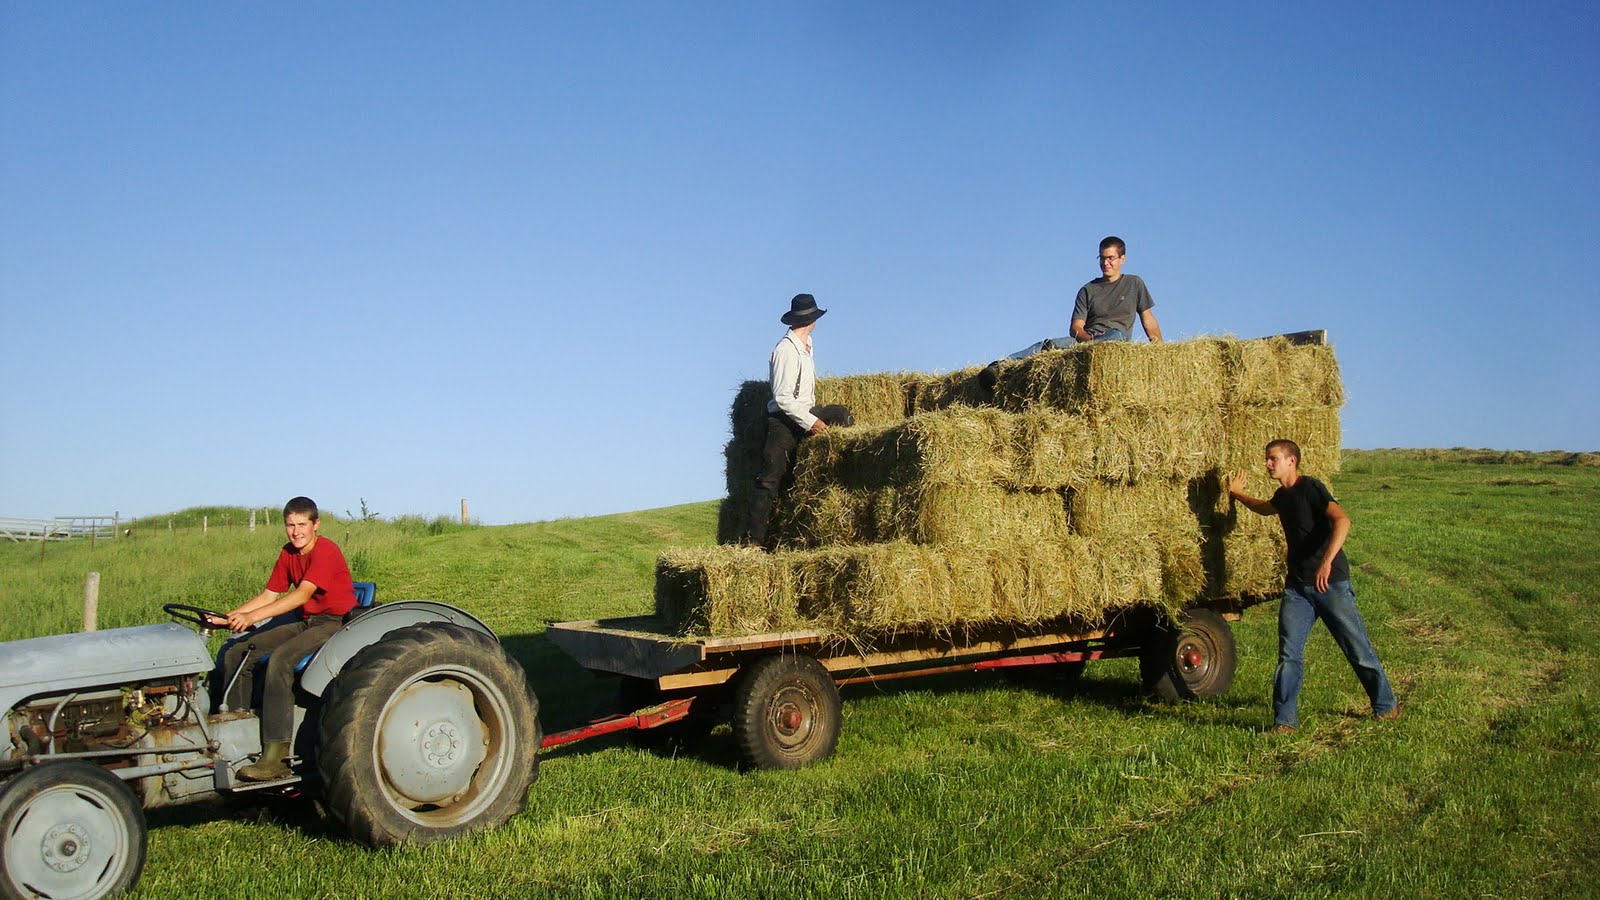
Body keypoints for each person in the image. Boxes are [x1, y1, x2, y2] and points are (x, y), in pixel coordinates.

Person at [1227, 440, 1399, 733]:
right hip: (1297, 589)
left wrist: (1327, 561)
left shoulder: (1311, 487)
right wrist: (1237, 494)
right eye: (1267, 459)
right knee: (1288, 655)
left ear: (1291, 460)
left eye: (1273, 459)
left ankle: (1386, 706)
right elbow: (1265, 509)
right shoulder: (1282, 495)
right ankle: (1285, 722)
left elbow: (1343, 521)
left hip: (1330, 585)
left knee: (1356, 648)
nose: (1268, 464)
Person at [210, 496, 358, 780]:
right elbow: (269, 596)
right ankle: (238, 730)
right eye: (290, 525)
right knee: (238, 651)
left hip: (335, 622)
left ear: (316, 524)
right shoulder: (288, 552)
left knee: (281, 660)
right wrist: (227, 618)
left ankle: (276, 756)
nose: (296, 531)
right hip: (305, 620)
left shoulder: (326, 550)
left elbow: (301, 595)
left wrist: (252, 618)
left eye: (302, 524)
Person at [743, 293, 853, 548]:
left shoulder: (807, 346)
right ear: (812, 320)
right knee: (769, 479)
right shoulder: (785, 350)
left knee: (840, 414)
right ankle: (752, 542)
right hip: (784, 420)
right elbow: (783, 398)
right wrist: (811, 423)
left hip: (806, 411)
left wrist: (813, 417)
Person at [980, 236, 1163, 389]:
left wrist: (1162, 352)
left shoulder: (1134, 283)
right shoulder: (1088, 290)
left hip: (1115, 339)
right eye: (1101, 258)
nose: (1105, 263)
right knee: (1048, 344)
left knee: (1117, 336)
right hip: (1085, 339)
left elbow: (1148, 319)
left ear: (1122, 259)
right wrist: (1088, 340)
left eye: (1110, 258)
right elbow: (1076, 326)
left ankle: (1096, 346)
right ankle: (999, 366)